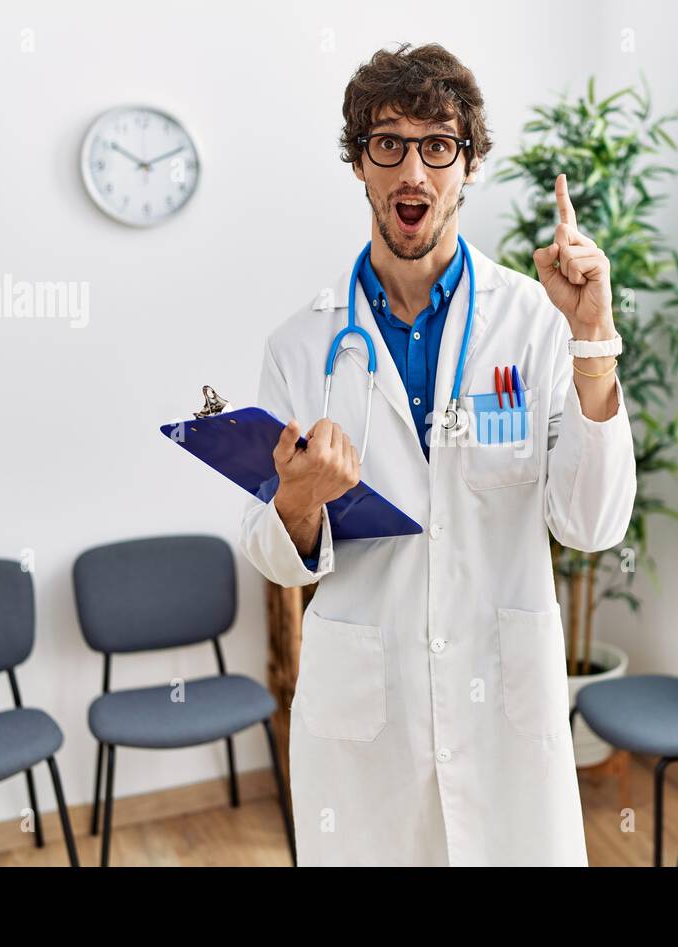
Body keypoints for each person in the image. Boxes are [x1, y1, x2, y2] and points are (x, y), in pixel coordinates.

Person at [240, 42, 636, 865]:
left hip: (504, 711)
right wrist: (301, 499)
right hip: (365, 723)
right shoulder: (303, 345)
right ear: (359, 164)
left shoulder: (534, 324)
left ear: (469, 165)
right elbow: (275, 558)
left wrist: (592, 335)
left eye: (438, 144)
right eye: (388, 143)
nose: (412, 170)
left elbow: (591, 524)